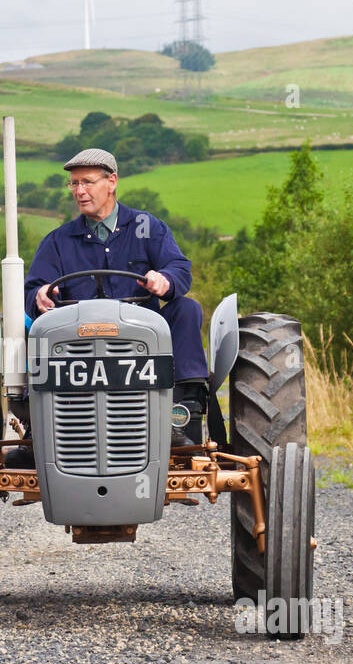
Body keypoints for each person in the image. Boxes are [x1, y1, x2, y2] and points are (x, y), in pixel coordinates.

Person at [24, 147, 226, 448]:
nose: (79, 191)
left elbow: (180, 269)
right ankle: (36, 429)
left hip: (143, 340)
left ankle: (184, 416)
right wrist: (39, 295)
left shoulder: (147, 227)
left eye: (87, 182)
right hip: (78, 343)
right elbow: (34, 289)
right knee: (33, 325)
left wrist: (164, 279)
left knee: (186, 309)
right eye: (74, 184)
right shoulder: (58, 240)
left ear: (112, 182)